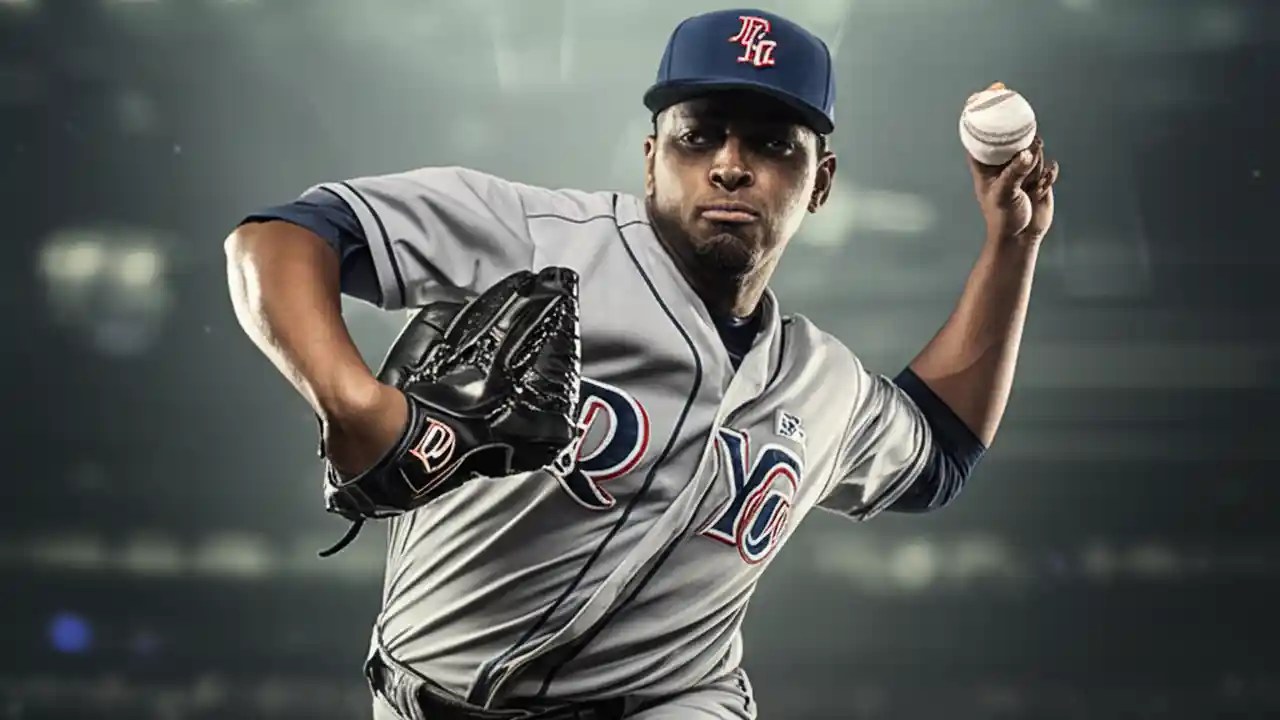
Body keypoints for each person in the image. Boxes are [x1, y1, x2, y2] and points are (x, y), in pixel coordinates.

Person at [224, 8, 1059, 719]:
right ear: (652, 154)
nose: (732, 164)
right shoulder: (535, 237)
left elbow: (940, 451)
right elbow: (283, 236)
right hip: (422, 697)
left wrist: (1013, 244)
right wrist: (353, 403)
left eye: (773, 144)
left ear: (821, 181)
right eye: (701, 137)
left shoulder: (823, 383)